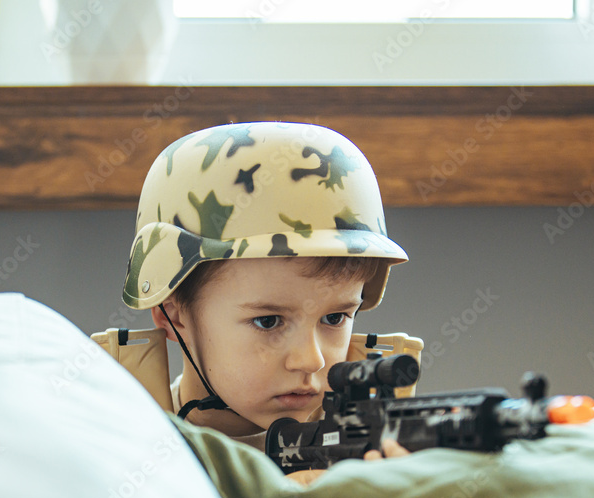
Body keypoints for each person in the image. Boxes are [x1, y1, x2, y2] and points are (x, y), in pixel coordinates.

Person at [101, 121, 414, 463]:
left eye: (335, 317)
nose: (312, 360)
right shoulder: (122, 454)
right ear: (173, 314)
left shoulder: (383, 456)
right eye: (268, 321)